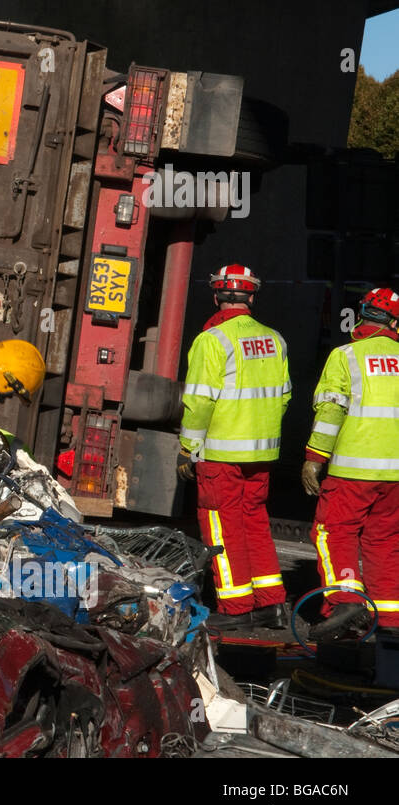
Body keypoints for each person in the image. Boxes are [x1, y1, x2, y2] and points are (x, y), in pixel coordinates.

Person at [178, 264, 292, 630]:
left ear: (216, 297)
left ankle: (236, 608)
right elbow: (284, 396)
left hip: (222, 454)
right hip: (260, 454)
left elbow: (199, 402)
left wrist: (187, 448)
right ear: (251, 297)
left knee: (221, 526)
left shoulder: (212, 340)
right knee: (254, 523)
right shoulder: (276, 340)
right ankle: (271, 604)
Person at [302, 287, 399, 640]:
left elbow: (331, 412)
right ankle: (390, 623)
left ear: (362, 316)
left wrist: (314, 458)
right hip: (396, 477)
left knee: (333, 532)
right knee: (385, 543)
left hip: (353, 471)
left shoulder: (346, 356)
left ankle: (346, 600)